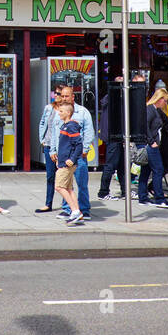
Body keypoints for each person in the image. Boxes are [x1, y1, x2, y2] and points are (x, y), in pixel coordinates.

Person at [50, 82, 94, 221]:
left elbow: (89, 132)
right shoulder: (59, 113)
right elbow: (54, 132)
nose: (63, 98)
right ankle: (67, 208)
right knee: (66, 184)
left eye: (66, 96)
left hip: (78, 155)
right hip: (63, 155)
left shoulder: (82, 112)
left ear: (73, 97)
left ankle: (84, 209)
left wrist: (85, 149)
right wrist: (53, 150)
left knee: (81, 183)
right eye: (61, 96)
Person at [136, 87, 168, 207]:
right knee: (158, 170)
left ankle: (143, 197)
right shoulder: (150, 110)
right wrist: (152, 141)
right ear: (159, 99)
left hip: (152, 144)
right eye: (165, 100)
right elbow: (145, 127)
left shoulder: (155, 110)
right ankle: (159, 198)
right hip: (151, 146)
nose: (165, 103)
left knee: (146, 171)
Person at [96, 76, 129, 200]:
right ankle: (103, 191)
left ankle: (125, 190)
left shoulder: (117, 99)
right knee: (110, 165)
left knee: (122, 165)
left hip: (118, 135)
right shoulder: (113, 98)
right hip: (114, 136)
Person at [53, 102, 84, 225]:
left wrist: (72, 158)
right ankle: (78, 213)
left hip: (67, 164)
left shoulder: (70, 127)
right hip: (64, 162)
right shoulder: (65, 126)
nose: (58, 113)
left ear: (68, 113)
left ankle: (74, 211)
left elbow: (78, 144)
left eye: (61, 111)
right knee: (69, 188)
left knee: (59, 187)